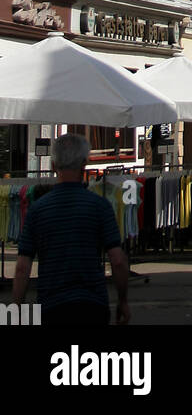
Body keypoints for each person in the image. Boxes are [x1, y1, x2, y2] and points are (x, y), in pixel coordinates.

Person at [12, 133, 130, 327]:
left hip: (51, 307)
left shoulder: (37, 210)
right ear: (84, 164)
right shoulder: (100, 206)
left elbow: (22, 267)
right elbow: (117, 261)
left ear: (53, 166)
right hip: (92, 306)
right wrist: (122, 301)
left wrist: (17, 312)